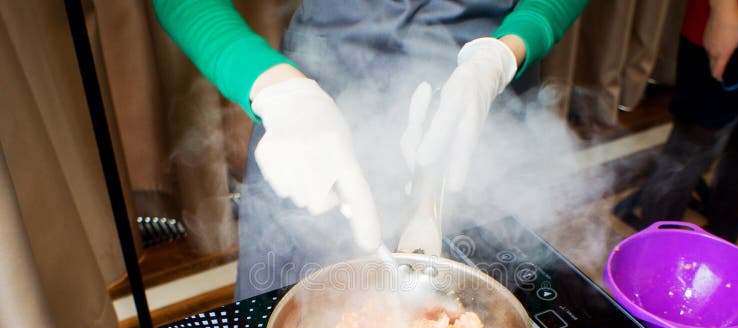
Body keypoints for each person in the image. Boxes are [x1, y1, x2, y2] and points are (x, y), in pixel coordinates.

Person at [153, 0, 587, 299]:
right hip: (316, 114)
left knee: (478, 321)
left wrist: (504, 54)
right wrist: (273, 89)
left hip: (478, 112)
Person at [613, 0, 738, 243]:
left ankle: (719, 253)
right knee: (690, 146)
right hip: (733, 22)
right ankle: (653, 253)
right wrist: (723, 11)